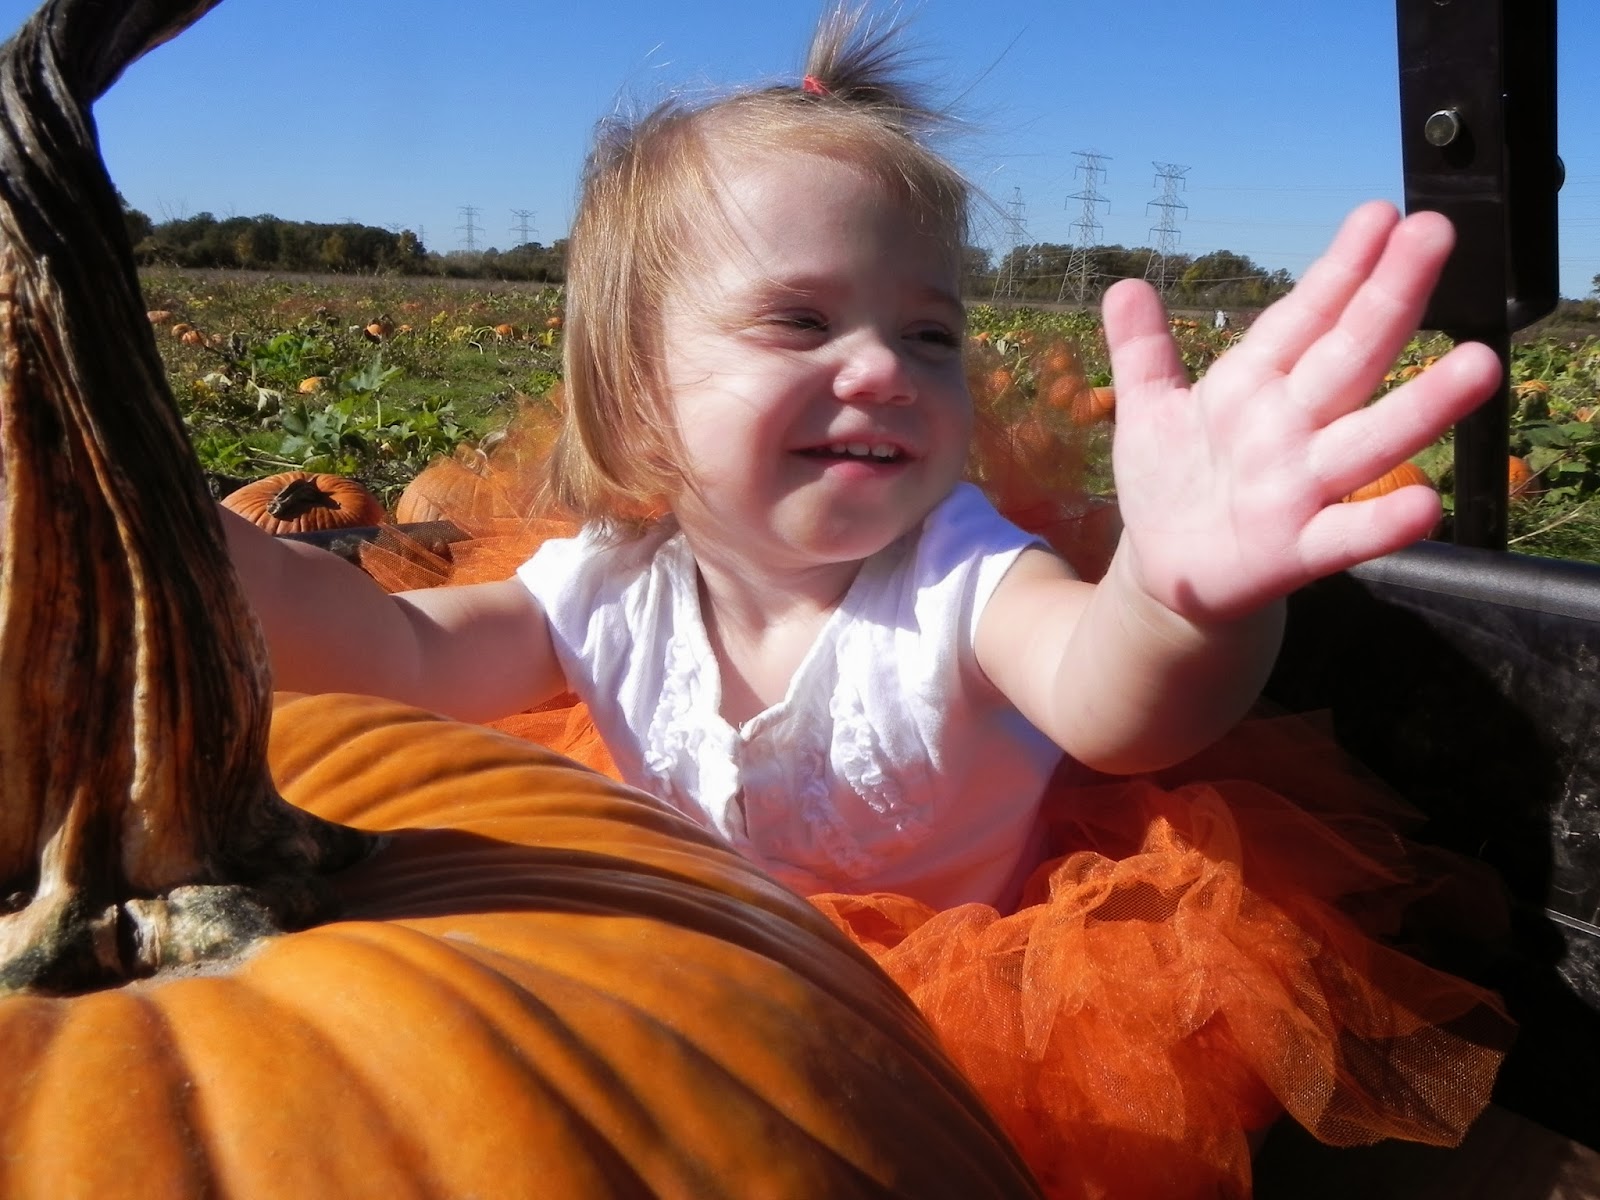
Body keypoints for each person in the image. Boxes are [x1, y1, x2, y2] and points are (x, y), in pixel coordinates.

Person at [223, 8, 1513, 1197]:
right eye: (799, 320)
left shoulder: (961, 575)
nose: (885, 368)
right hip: (687, 997)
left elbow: (1113, 701)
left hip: (945, 1035)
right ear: (632, 401)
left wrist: (1178, 603)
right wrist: (202, 550)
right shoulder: (604, 587)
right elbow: (394, 650)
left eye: (932, 334)